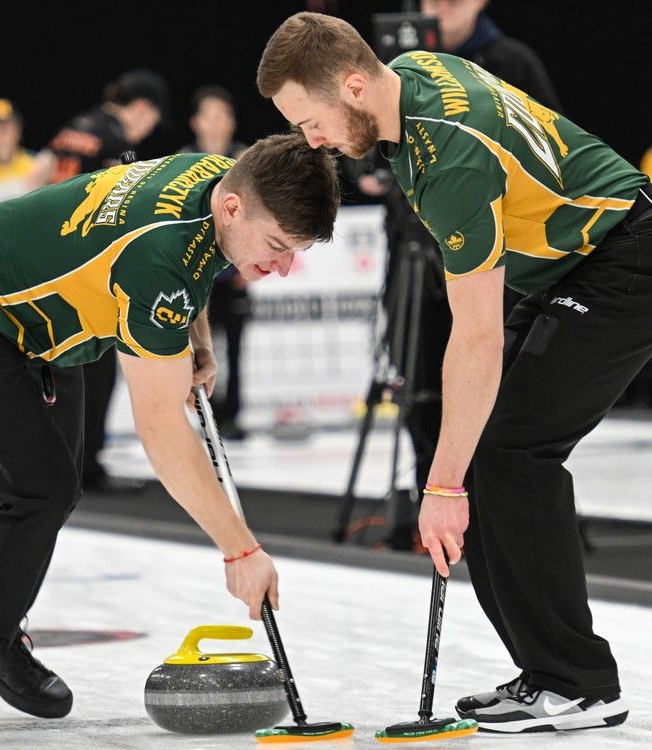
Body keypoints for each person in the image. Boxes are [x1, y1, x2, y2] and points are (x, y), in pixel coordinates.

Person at [258, 11, 646, 735]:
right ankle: (550, 674)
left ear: (351, 85)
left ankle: (578, 684)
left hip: (622, 257)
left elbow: (475, 336)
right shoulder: (415, 75)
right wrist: (448, 474)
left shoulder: (448, 159)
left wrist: (439, 488)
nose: (311, 141)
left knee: (507, 453)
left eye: (310, 121)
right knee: (482, 453)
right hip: (581, 259)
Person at [0, 133, 340, 742]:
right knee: (39, 490)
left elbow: (198, 259)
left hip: (43, 315)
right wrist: (240, 550)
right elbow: (160, 429)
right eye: (278, 246)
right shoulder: (157, 257)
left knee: (56, 487)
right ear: (235, 207)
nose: (285, 267)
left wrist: (195, 340)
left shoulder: (218, 178)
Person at [353, 0, 564, 506]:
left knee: (497, 370)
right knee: (419, 373)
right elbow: (356, 137)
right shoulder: (389, 64)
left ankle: (504, 503)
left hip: (496, 252)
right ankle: (434, 494)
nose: (443, 5)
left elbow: (551, 141)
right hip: (413, 249)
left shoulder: (511, 61)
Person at [48, 69, 169, 492]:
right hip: (89, 265)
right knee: (97, 369)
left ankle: (65, 460)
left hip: (53, 258)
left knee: (66, 365)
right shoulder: (117, 143)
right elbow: (129, 206)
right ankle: (86, 464)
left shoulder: (73, 129)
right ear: (141, 108)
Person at [180, 86, 251, 439]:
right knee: (193, 346)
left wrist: (248, 267)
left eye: (222, 115)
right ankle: (196, 411)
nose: (215, 123)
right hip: (195, 271)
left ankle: (232, 414)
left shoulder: (247, 160)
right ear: (195, 122)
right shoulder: (183, 161)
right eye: (209, 115)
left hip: (233, 271)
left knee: (235, 344)